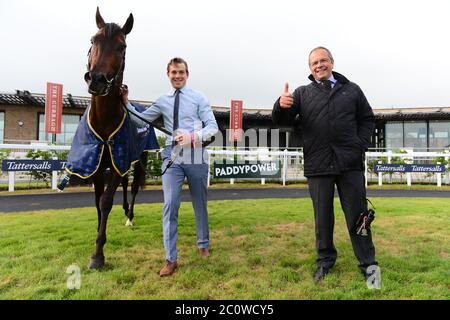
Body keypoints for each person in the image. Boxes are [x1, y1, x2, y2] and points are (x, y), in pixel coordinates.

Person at [272, 47, 378, 283]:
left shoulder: (352, 90)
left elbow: (367, 119)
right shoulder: (301, 94)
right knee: (323, 218)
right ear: (310, 69)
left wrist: (359, 145)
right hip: (318, 164)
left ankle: (369, 264)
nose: (319, 65)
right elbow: (283, 122)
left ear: (332, 62)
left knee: (358, 216)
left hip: (349, 164)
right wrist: (282, 105)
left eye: (323, 61)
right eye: (314, 63)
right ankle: (325, 262)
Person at [121, 57, 218, 277]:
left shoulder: (198, 98)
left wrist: (192, 136)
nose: (177, 76)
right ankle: (170, 259)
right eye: (173, 72)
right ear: (168, 74)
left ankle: (203, 243)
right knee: (170, 204)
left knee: (199, 203)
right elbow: (140, 121)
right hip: (171, 157)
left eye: (181, 72)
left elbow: (212, 127)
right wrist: (126, 103)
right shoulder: (162, 100)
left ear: (187, 73)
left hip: (196, 155)